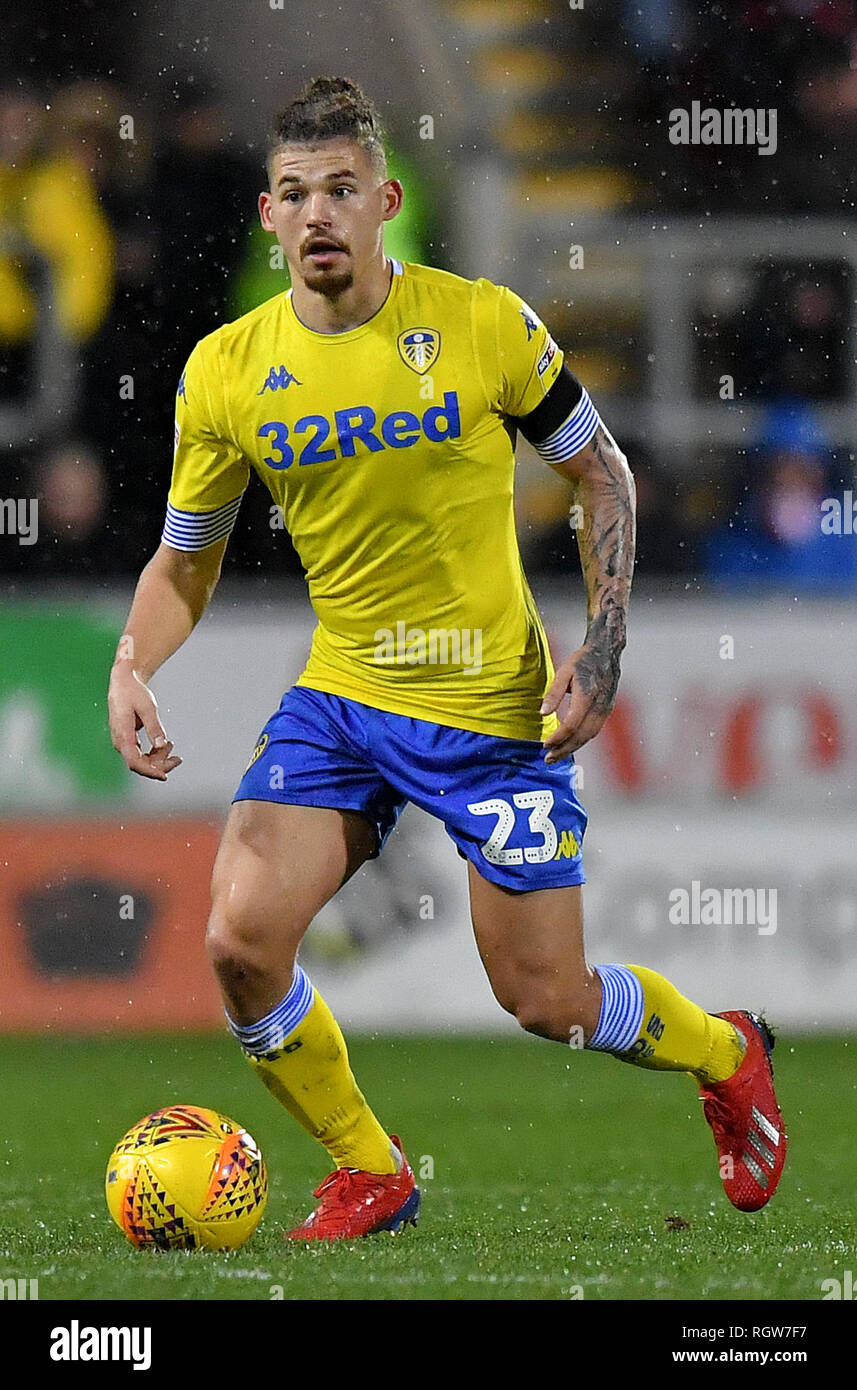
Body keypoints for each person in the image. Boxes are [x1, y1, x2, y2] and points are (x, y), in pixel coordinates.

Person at [107, 77, 786, 1241]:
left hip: (488, 710)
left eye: (337, 190)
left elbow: (601, 471)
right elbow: (184, 563)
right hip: (342, 700)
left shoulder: (480, 322)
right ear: (266, 218)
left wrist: (602, 646)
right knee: (237, 940)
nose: (315, 213)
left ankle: (727, 1051)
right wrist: (131, 663)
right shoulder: (225, 371)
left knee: (544, 999)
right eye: (290, 194)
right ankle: (372, 1170)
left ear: (385, 201)